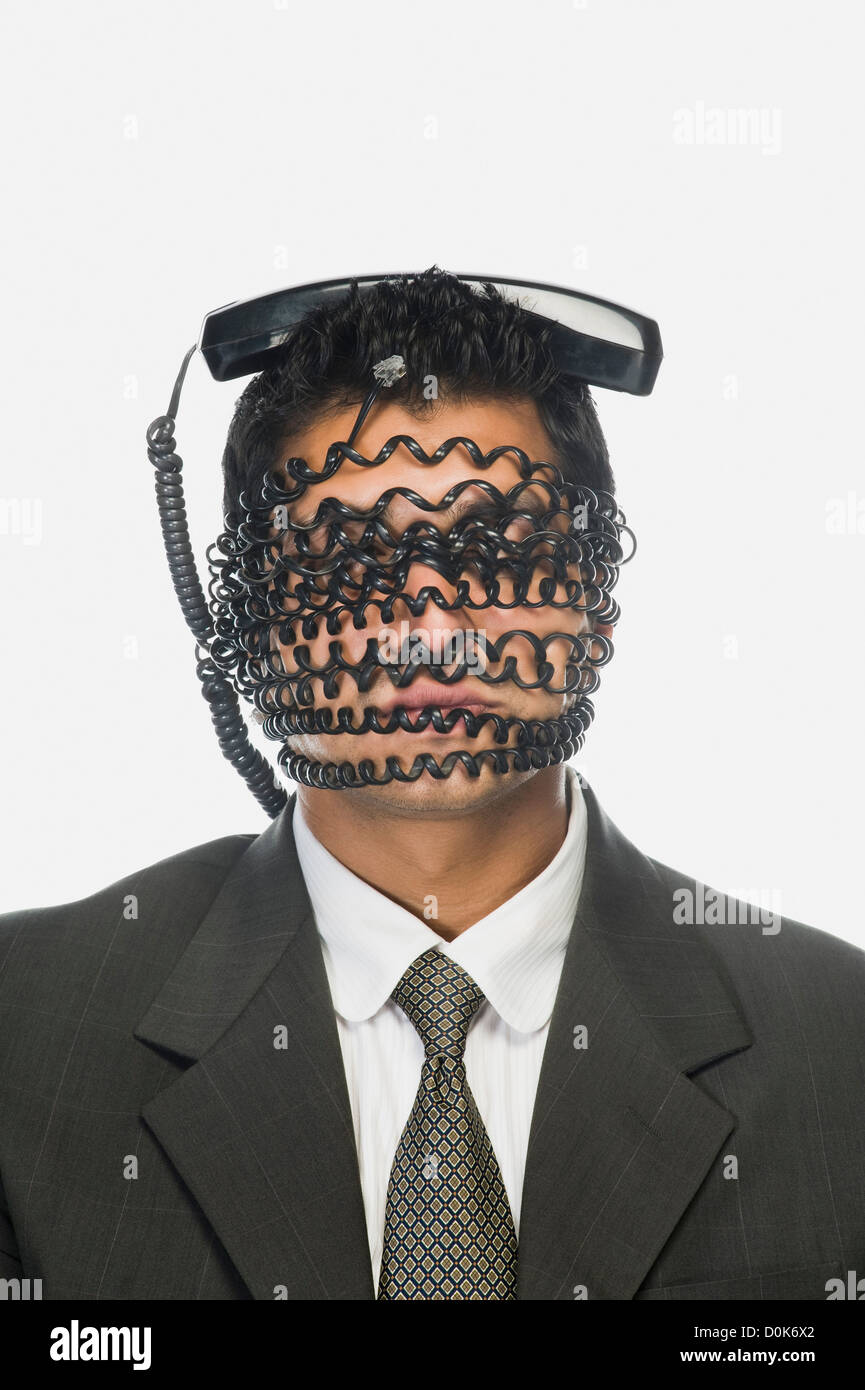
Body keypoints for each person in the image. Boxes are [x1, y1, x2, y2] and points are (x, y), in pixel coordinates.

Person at [1, 268, 863, 1302]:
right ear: (248, 620)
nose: (426, 625)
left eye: (491, 550)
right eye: (344, 561)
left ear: (590, 595)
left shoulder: (837, 1045)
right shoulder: (23, 1030)